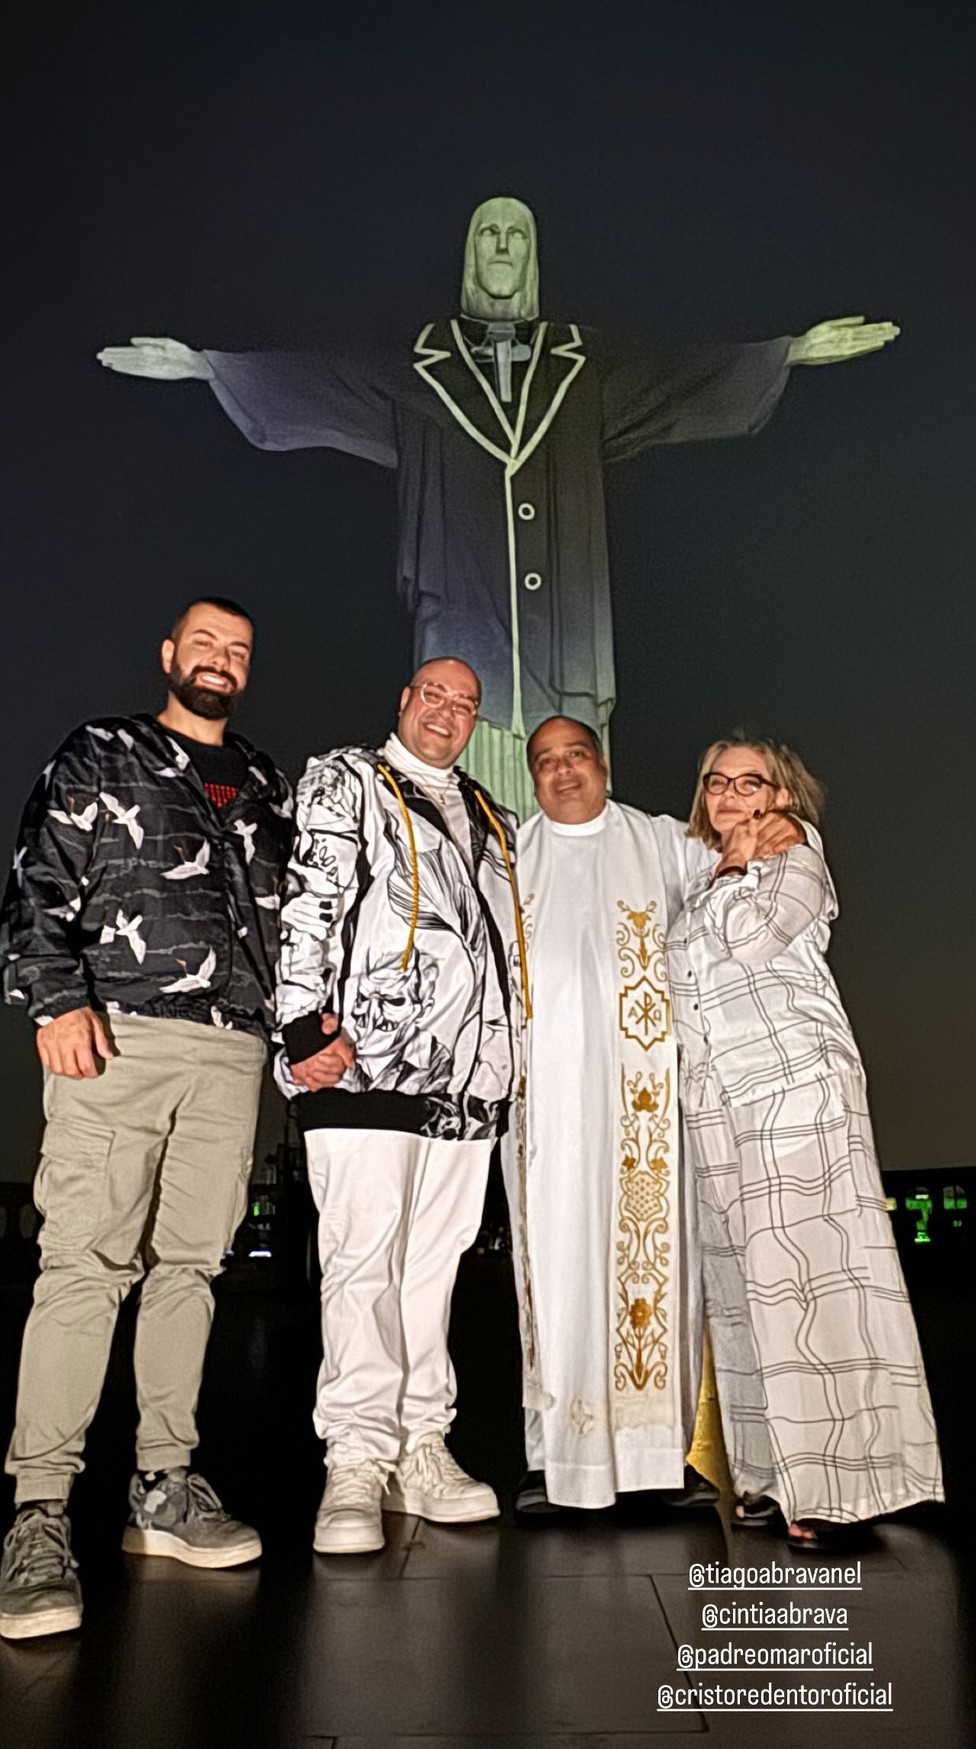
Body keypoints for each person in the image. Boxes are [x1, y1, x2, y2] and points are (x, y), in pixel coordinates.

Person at [97, 195, 899, 816]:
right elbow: (322, 382)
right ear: (470, 255)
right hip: (465, 634)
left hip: (570, 648)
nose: (504, 247)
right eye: (490, 234)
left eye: (517, 234)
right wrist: (209, 367)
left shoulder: (582, 369)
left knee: (570, 818)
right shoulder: (423, 370)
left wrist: (786, 355)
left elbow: (678, 382)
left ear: (534, 255)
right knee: (465, 816)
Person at [0, 599, 293, 1640]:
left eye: (238, 650)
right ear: (170, 655)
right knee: (86, 1263)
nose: (220, 659)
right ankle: (39, 1511)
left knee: (192, 1269)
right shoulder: (104, 752)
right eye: (204, 642)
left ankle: (162, 1486)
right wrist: (54, 998)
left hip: (232, 1047)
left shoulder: (264, 782)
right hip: (118, 1031)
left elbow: (292, 917)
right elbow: (38, 876)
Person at [503, 717, 802, 1513]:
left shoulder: (664, 842)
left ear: (602, 762)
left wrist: (783, 826)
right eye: (545, 761)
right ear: (533, 775)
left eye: (575, 755)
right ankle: (557, 1462)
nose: (563, 771)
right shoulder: (507, 857)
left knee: (656, 1264)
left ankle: (657, 1460)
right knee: (556, 1268)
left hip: (646, 1106)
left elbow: (748, 855)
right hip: (547, 1106)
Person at [666, 735, 943, 1547]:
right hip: (718, 1102)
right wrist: (724, 868)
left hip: (795, 1085)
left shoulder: (794, 853)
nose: (728, 794)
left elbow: (754, 939)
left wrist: (736, 866)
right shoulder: (708, 871)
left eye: (748, 781)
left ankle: (842, 1486)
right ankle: (766, 1476)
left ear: (779, 795)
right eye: (715, 781)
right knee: (742, 1293)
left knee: (815, 1285)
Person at [278, 657, 527, 1555]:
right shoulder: (348, 779)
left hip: (469, 1078)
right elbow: (309, 901)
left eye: (466, 704)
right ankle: (355, 1457)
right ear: (404, 701)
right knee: (362, 1261)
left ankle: (422, 1442)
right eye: (434, 695)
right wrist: (299, 1027)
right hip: (366, 1064)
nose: (448, 713)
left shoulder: (492, 815)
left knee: (433, 1267)